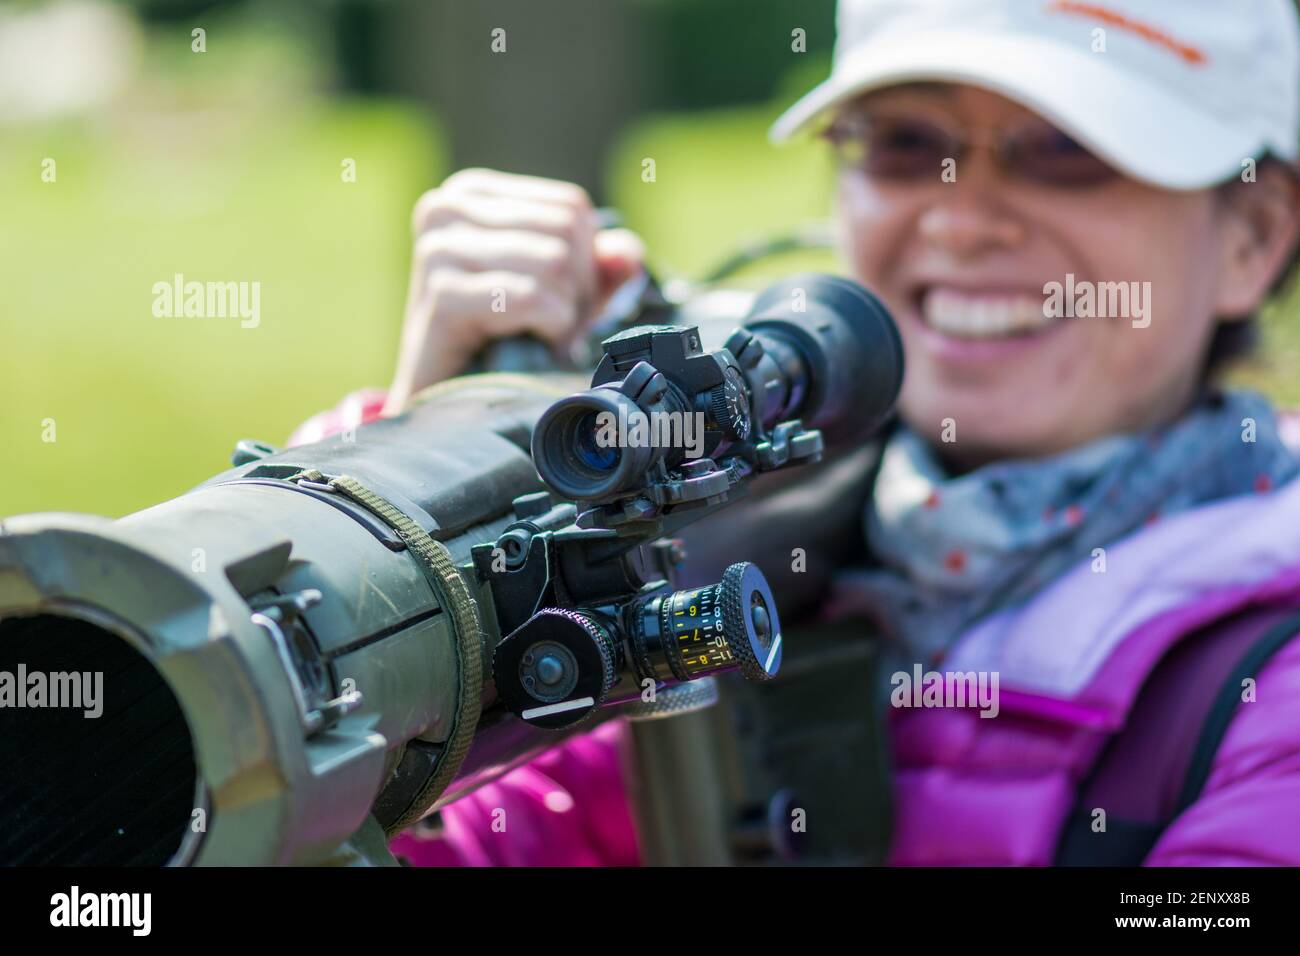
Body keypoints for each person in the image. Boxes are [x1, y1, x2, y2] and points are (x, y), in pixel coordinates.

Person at [294, 0, 1300, 865]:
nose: (961, 220)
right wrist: (432, 500)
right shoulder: (750, 551)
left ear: (1252, 238)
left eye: (1069, 154)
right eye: (907, 143)